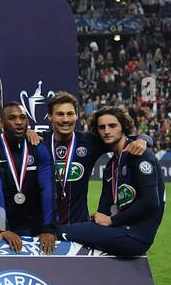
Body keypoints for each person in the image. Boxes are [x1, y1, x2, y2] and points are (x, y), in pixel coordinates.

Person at [58, 106, 165, 257]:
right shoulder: (110, 167)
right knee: (73, 230)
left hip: (135, 235)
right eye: (102, 127)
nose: (107, 131)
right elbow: (104, 207)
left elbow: (151, 202)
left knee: (59, 233)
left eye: (112, 126)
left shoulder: (139, 154)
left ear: (123, 127)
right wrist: (98, 219)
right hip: (118, 230)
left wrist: (112, 220)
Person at [43, 90, 149, 228]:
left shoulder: (89, 141)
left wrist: (144, 139)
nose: (66, 119)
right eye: (59, 114)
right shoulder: (39, 142)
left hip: (79, 228)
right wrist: (27, 133)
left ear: (76, 116)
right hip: (46, 230)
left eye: (70, 114)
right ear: (49, 116)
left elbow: (124, 140)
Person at [0, 102, 58, 254]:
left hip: (30, 226)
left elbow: (48, 189)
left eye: (22, 117)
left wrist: (48, 228)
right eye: (12, 118)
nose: (18, 122)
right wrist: (1, 228)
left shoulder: (39, 147)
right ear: (1, 123)